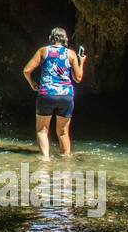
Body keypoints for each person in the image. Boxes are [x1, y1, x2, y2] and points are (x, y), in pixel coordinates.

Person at [21, 28, 86, 159]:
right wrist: (81, 62)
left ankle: (45, 159)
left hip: (47, 94)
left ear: (51, 38)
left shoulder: (43, 51)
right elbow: (78, 78)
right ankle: (66, 162)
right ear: (65, 39)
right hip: (66, 96)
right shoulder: (71, 54)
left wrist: (32, 83)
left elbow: (26, 70)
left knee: (42, 130)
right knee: (63, 132)